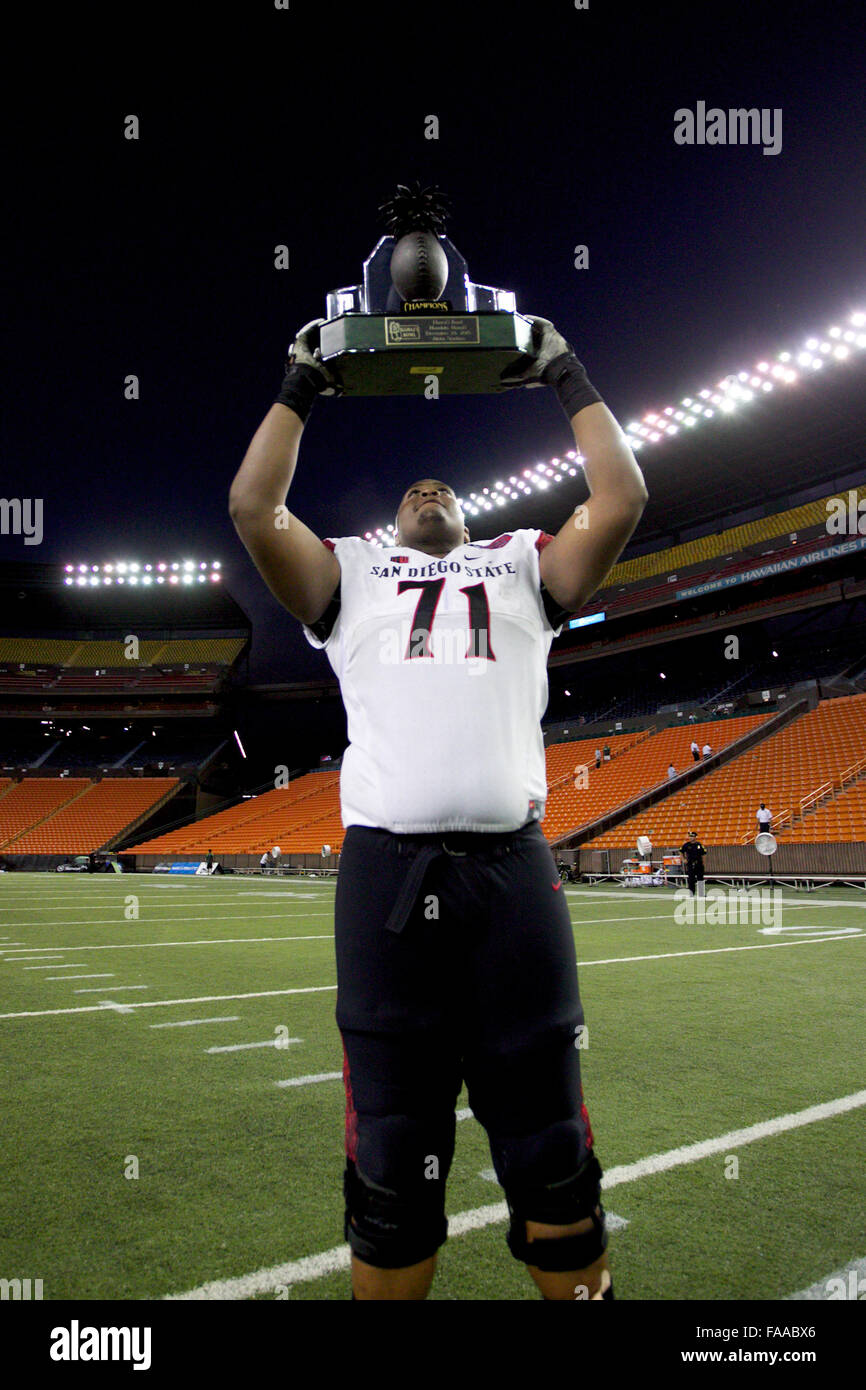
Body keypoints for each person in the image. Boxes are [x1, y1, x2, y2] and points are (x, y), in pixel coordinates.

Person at [230, 312, 647, 1301]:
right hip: (387, 879)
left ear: (465, 516)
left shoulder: (519, 561)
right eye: (412, 488)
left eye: (441, 487)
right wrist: (301, 385)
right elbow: (254, 508)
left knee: (550, 1140)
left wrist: (565, 369)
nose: (426, 490)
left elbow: (621, 495)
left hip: (511, 873)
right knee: (392, 1149)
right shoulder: (352, 567)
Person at [680, 830, 706, 896]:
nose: (691, 838)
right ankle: (691, 893)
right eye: (690, 836)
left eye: (692, 836)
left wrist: (703, 862)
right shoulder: (686, 845)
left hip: (699, 864)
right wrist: (683, 859)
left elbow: (704, 854)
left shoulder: (699, 845)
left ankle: (701, 893)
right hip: (690, 864)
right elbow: (681, 851)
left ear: (695, 837)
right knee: (691, 879)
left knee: (700, 879)